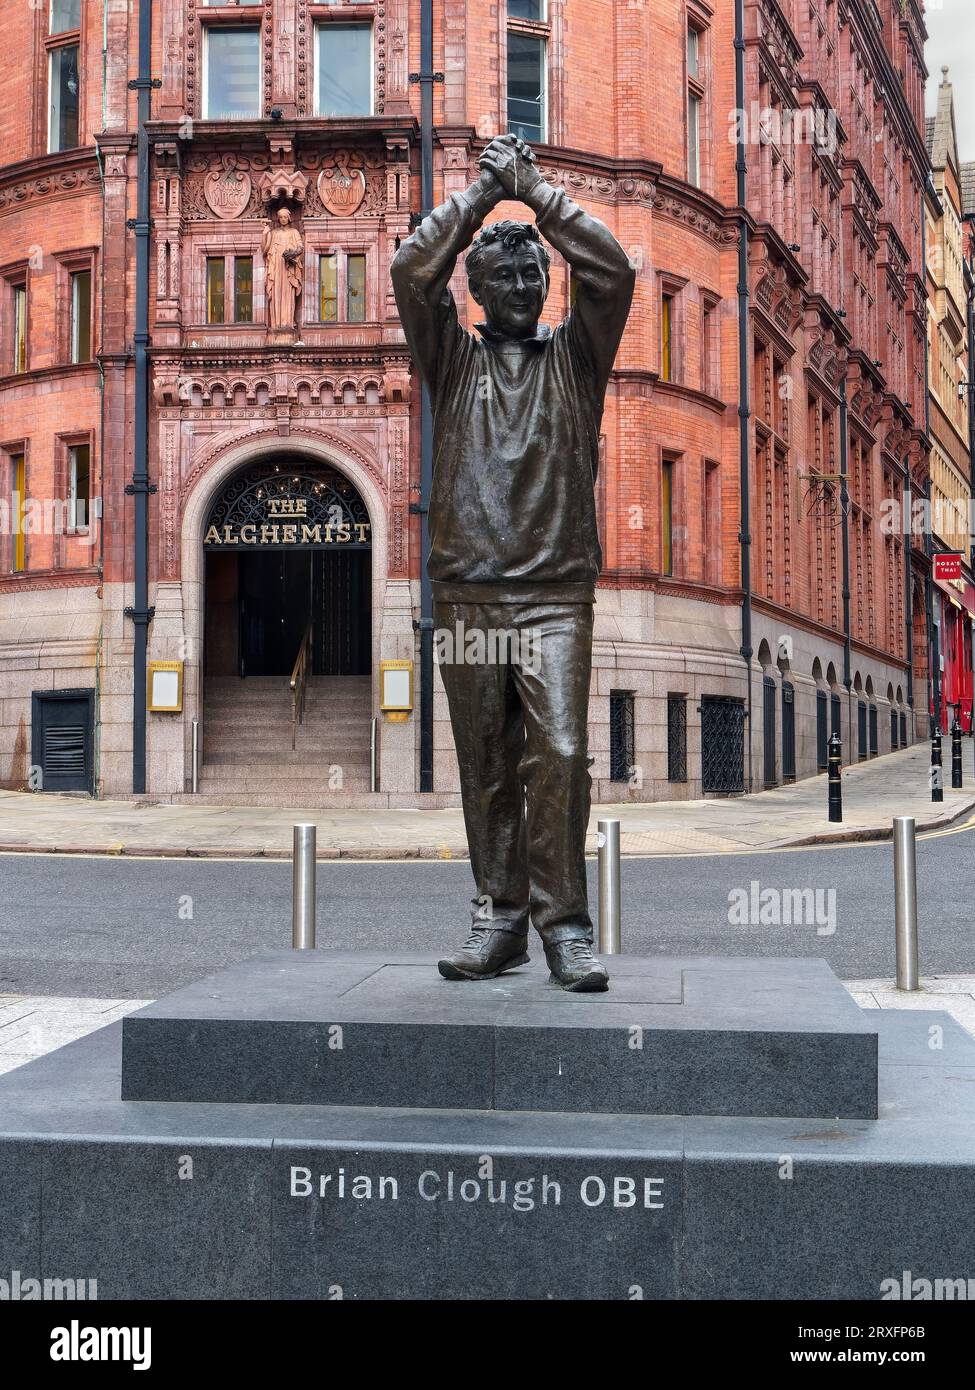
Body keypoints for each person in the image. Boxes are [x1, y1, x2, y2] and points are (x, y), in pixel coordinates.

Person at [391, 134, 634, 991]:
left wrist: (533, 193)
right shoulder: (449, 360)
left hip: (553, 597)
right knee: (485, 759)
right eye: (508, 279)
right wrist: (478, 197)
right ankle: (499, 916)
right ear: (480, 291)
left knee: (559, 752)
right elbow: (409, 270)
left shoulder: (577, 359)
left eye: (535, 277)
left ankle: (563, 923)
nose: (527, 288)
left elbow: (614, 271)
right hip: (466, 597)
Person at [261, 206, 303, 332]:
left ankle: (288, 322)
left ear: (289, 218)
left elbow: (300, 246)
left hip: (288, 266)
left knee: (287, 294)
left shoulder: (294, 232)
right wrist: (265, 234)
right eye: (281, 217)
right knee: (276, 293)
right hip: (276, 266)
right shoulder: (274, 233)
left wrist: (293, 253)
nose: (283, 219)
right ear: (278, 219)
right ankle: (275, 323)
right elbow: (265, 249)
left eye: (285, 217)